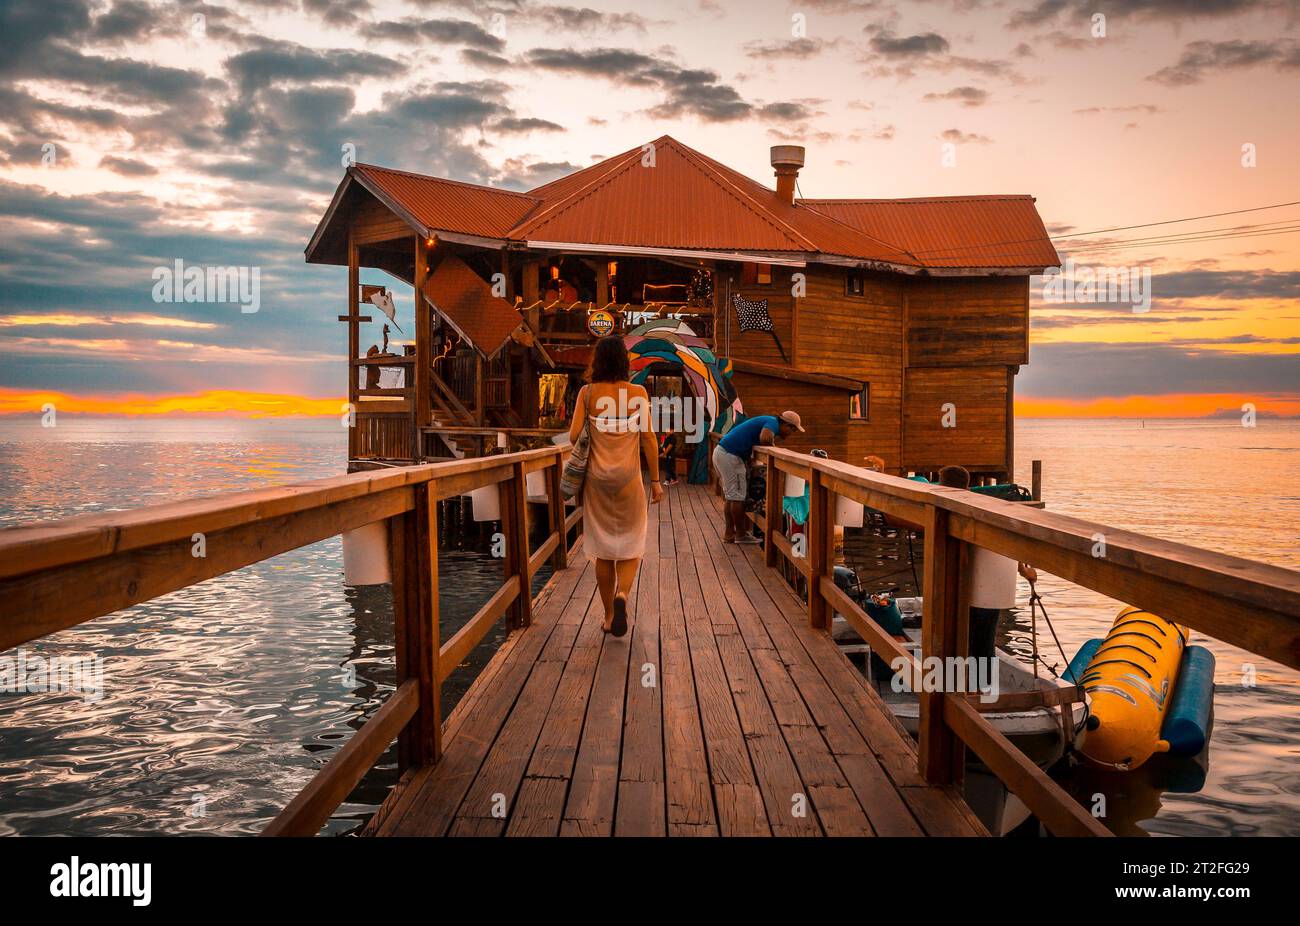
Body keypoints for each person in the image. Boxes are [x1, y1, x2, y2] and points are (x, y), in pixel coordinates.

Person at [568, 337, 663, 637]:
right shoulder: (637, 393)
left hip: (596, 480)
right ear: (624, 361)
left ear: (597, 361)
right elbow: (648, 438)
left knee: (603, 549)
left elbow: (573, 437)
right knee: (632, 543)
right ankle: (623, 595)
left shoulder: (587, 393)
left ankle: (609, 616)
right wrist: (657, 482)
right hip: (628, 479)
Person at [712, 409, 804, 544]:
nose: (791, 434)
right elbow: (765, 438)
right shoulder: (772, 422)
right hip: (730, 457)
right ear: (786, 425)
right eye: (793, 430)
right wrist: (774, 447)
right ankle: (741, 534)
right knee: (737, 498)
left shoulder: (767, 419)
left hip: (723, 453)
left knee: (731, 497)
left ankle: (729, 534)